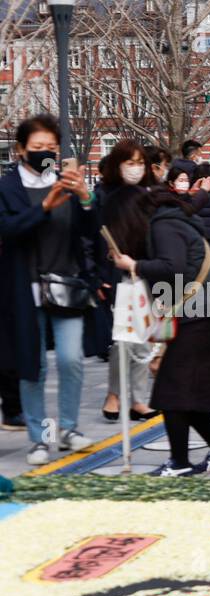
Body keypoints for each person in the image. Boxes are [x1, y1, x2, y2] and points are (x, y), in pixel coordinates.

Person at [106, 186, 210, 478]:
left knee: (171, 391)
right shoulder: (173, 220)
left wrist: (133, 264)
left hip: (201, 313)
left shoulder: (164, 225)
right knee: (191, 392)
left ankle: (179, 462)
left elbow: (170, 266)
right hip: (205, 311)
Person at [0, 114, 97, 465]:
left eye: (51, 148)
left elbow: (90, 229)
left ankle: (69, 429)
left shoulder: (65, 182)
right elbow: (8, 229)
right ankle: (39, 438)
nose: (45, 154)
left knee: (71, 359)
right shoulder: (7, 188)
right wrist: (43, 206)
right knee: (33, 366)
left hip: (67, 284)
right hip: (24, 289)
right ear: (21, 149)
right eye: (37, 148)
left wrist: (86, 198)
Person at [94, 138, 154, 423]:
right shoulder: (104, 195)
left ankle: (138, 399)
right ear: (118, 164)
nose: (135, 169)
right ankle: (115, 395)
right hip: (116, 273)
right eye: (130, 163)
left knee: (142, 338)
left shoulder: (149, 194)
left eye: (140, 163)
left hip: (144, 270)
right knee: (122, 339)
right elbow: (94, 238)